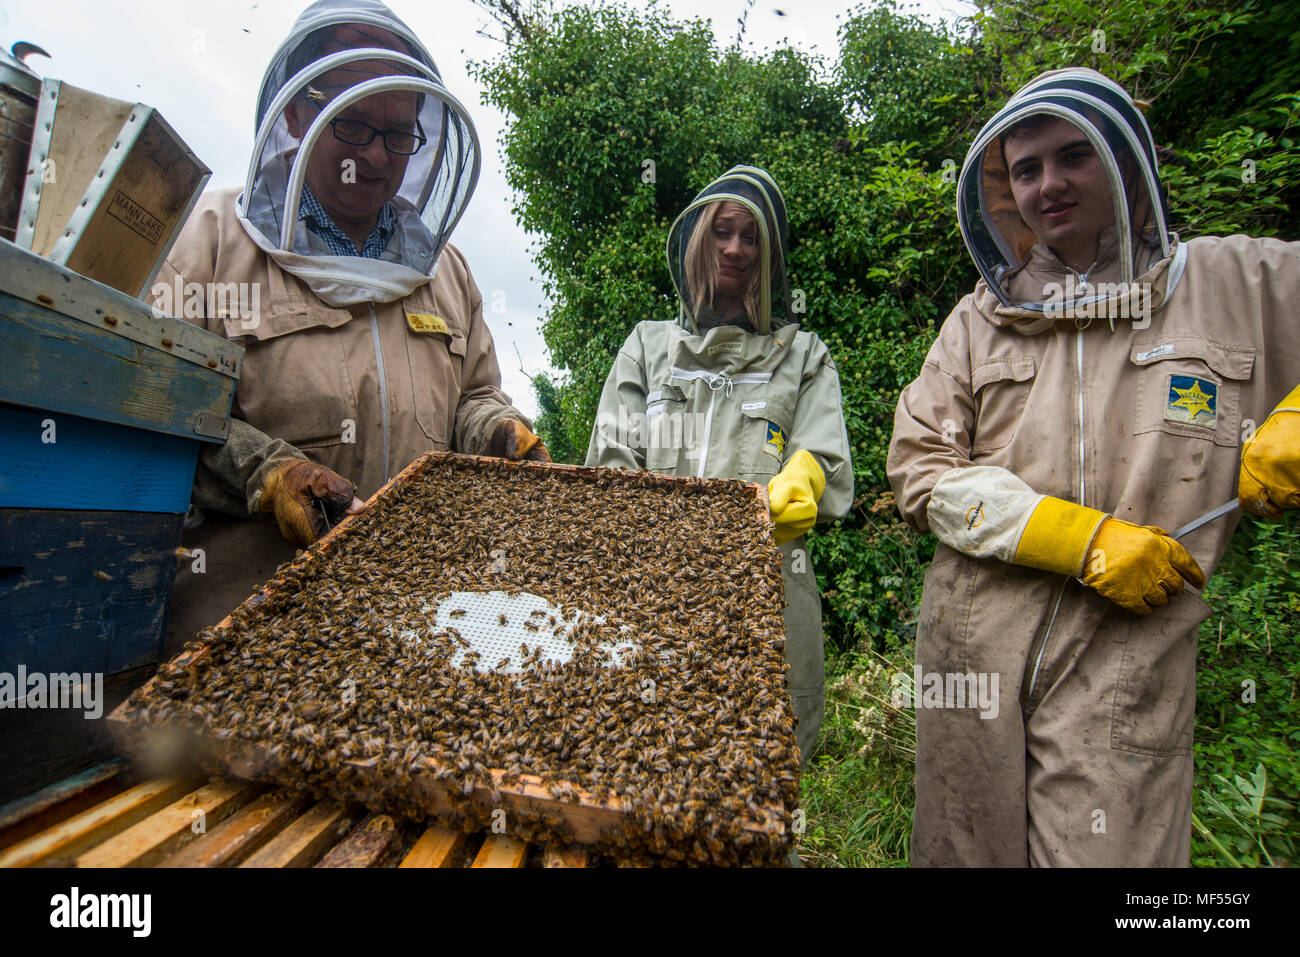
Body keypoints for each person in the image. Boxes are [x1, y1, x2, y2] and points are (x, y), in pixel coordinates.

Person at [887, 68, 1300, 866]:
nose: (1049, 185)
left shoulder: (1233, 283)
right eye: (1026, 169)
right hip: (969, 664)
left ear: (1124, 161)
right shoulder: (981, 318)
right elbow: (919, 468)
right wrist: (1073, 536)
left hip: (1123, 676)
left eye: (1074, 157)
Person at [158, 0, 547, 647]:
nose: (375, 155)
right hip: (244, 629)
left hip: (419, 624)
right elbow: (155, 412)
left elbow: (475, 396)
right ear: (296, 111)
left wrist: (501, 433)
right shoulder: (209, 241)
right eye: (354, 125)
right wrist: (273, 474)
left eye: (399, 135)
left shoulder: (446, 269)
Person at [585, 166, 853, 768]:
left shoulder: (803, 354)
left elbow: (826, 457)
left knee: (757, 776)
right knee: (638, 758)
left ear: (769, 257)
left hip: (767, 596)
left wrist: (803, 476)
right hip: (651, 592)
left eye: (751, 237)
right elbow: (610, 461)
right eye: (721, 232)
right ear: (695, 243)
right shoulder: (647, 346)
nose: (735, 249)